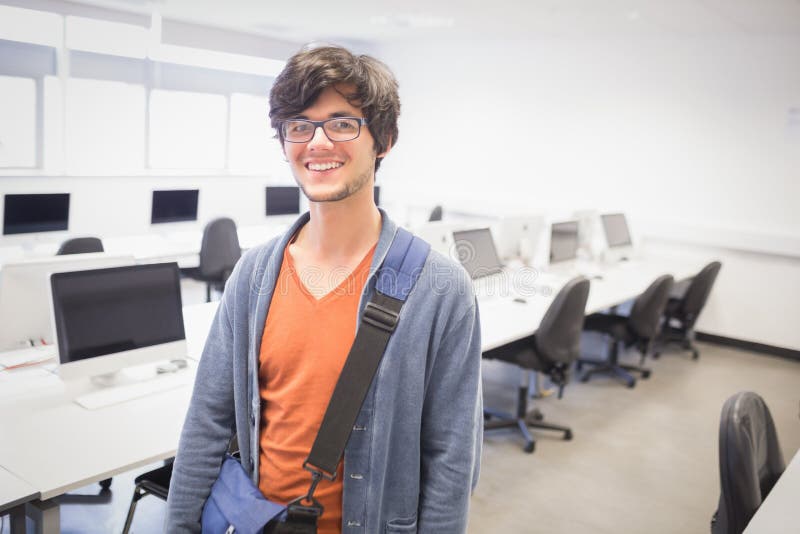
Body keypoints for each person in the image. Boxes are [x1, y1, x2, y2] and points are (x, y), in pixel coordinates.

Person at [165, 45, 482, 533]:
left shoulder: (439, 288)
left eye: (342, 123)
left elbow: (452, 458)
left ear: (384, 140)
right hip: (260, 522)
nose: (317, 142)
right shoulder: (252, 275)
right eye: (300, 125)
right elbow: (208, 420)